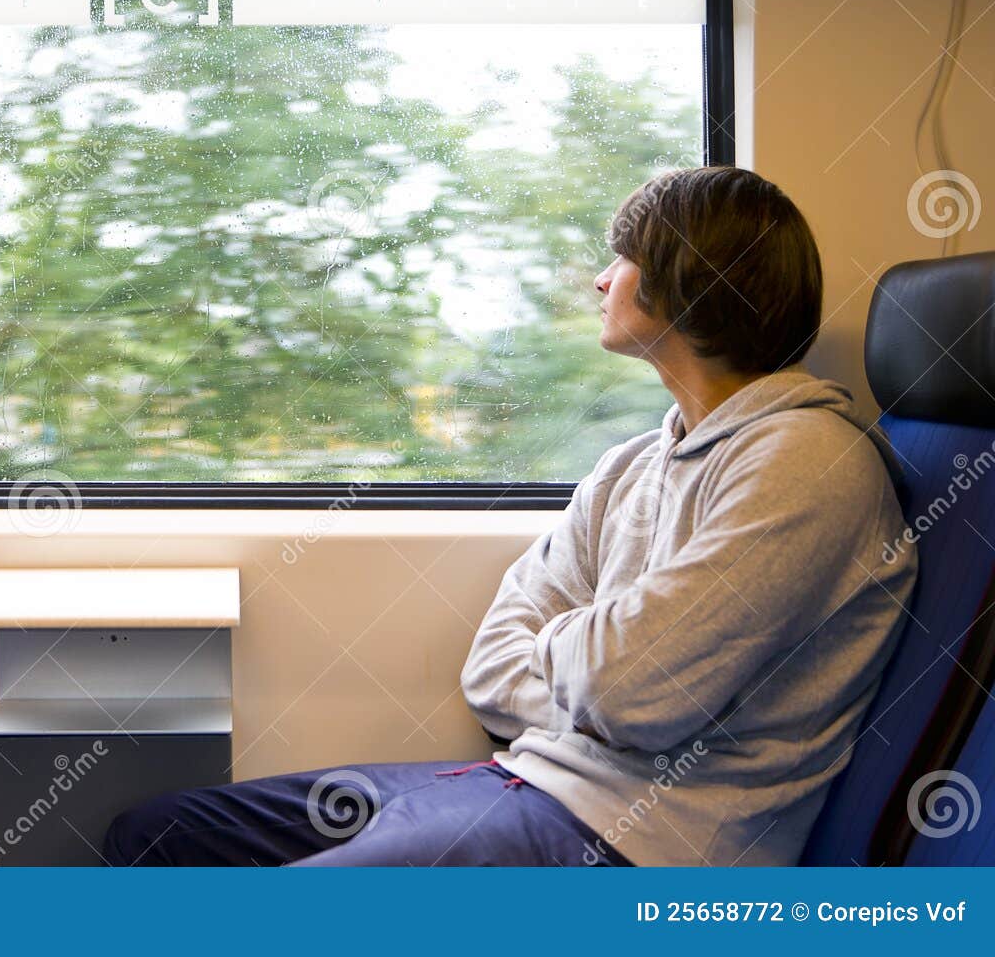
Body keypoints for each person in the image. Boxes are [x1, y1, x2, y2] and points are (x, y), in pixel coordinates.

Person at [101, 166, 917, 867]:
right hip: (531, 780)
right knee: (155, 835)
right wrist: (601, 662)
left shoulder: (807, 463)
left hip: (638, 844)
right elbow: (494, 668)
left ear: (688, 284)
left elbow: (636, 693)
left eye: (625, 259)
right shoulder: (633, 462)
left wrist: (582, 650)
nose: (602, 280)